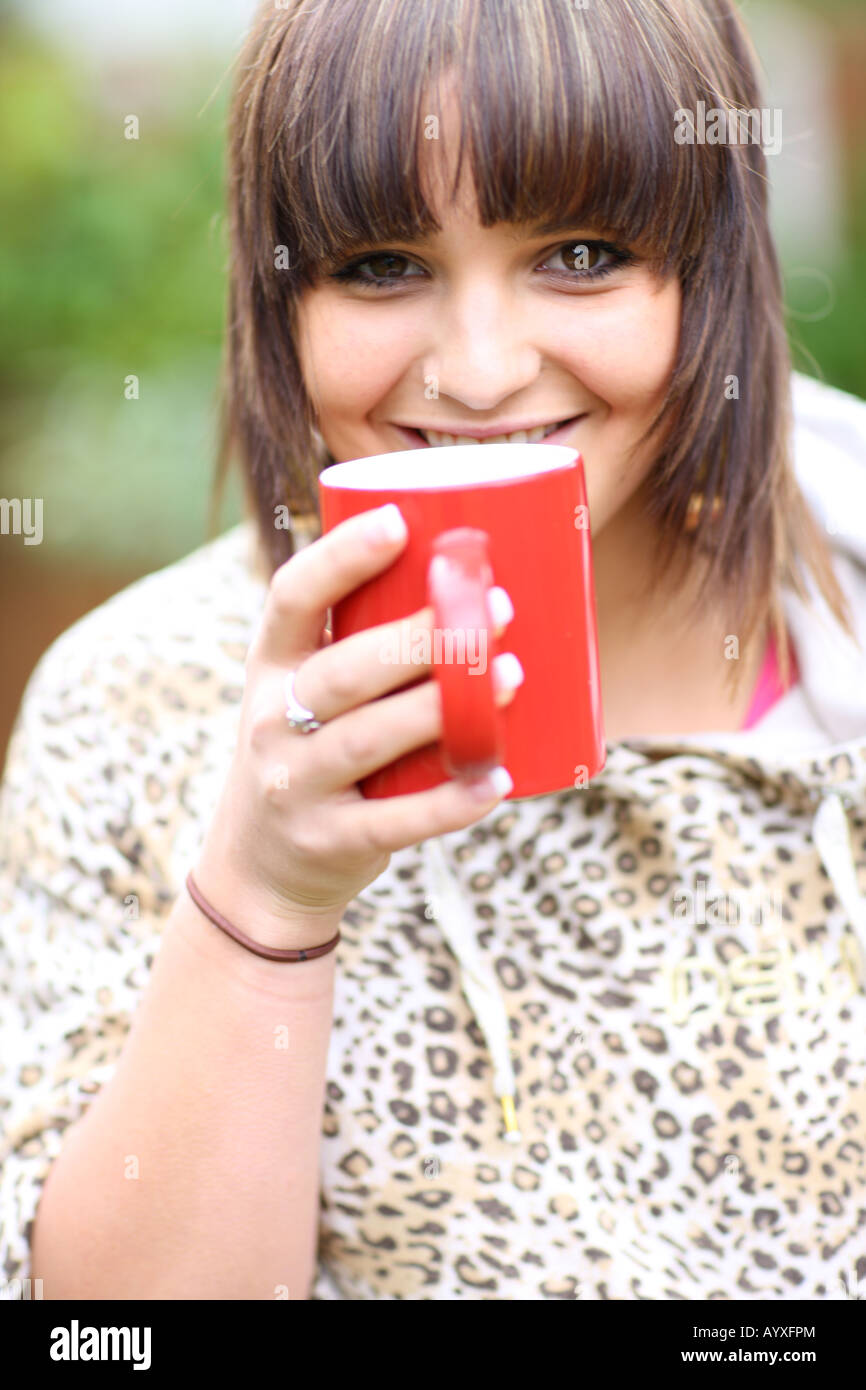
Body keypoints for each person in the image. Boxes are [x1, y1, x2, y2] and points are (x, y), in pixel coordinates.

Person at [2, 0, 866, 1302]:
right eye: (383, 266)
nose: (477, 372)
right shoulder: (135, 702)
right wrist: (264, 895)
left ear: (714, 265)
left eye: (579, 253)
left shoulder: (841, 594)